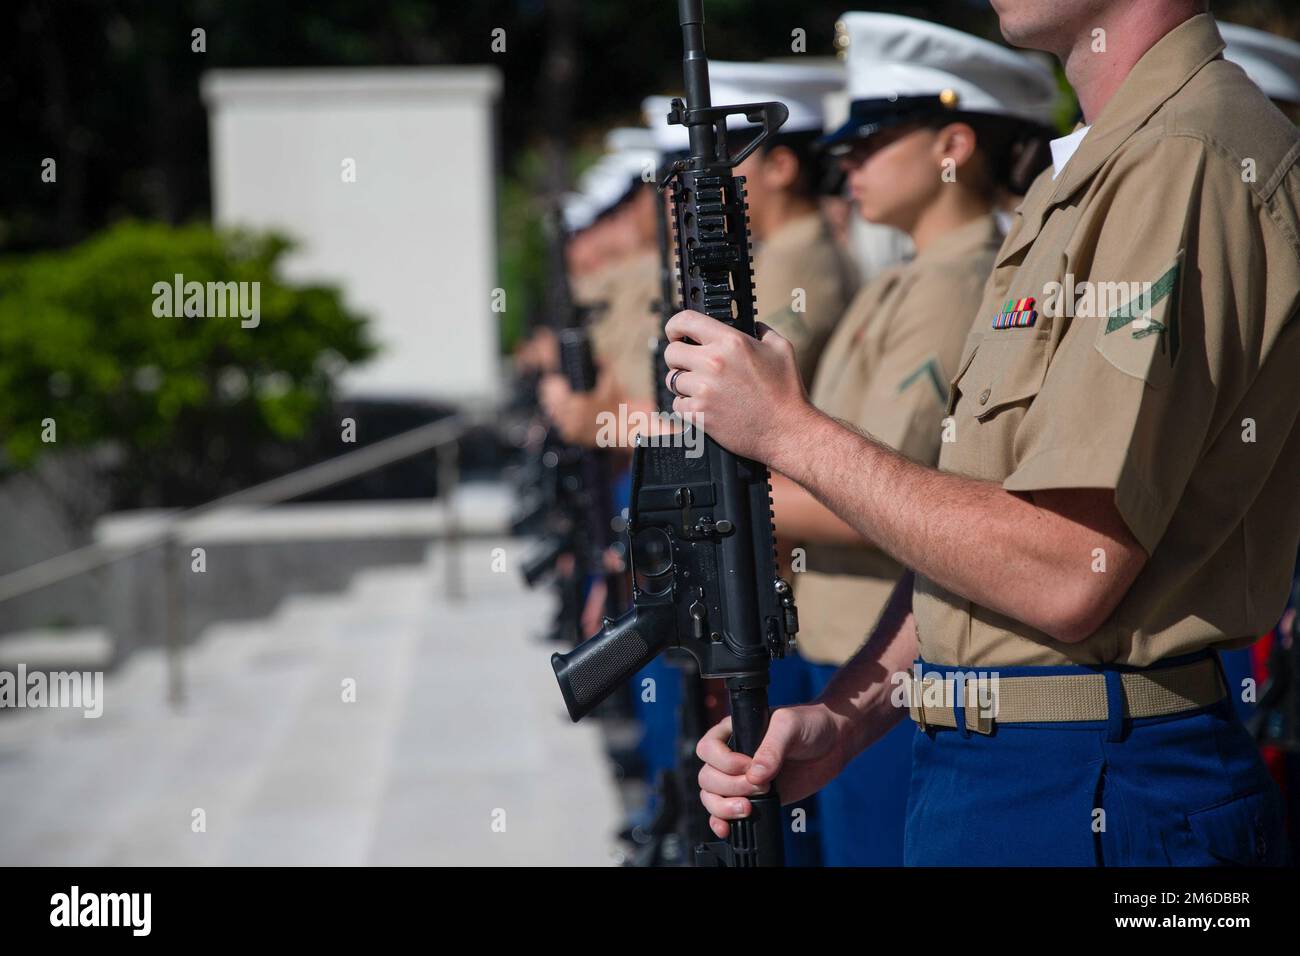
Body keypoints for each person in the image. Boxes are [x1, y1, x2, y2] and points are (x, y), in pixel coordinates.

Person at [667, 1, 1299, 866]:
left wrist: (791, 433)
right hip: (1007, 771)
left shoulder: (1180, 160)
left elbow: (1063, 568)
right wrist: (847, 717)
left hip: (1094, 787)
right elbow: (982, 540)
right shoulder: (1098, 170)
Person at [771, 12, 1057, 866]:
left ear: (953, 146)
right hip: (848, 648)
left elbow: (878, 498)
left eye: (873, 141)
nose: (847, 163)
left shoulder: (955, 282)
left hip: (892, 666)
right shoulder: (905, 278)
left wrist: (739, 503)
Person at [710, 61, 859, 384]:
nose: (713, 180)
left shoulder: (797, 261)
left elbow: (751, 389)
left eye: (728, 161)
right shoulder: (782, 251)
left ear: (780, 167)